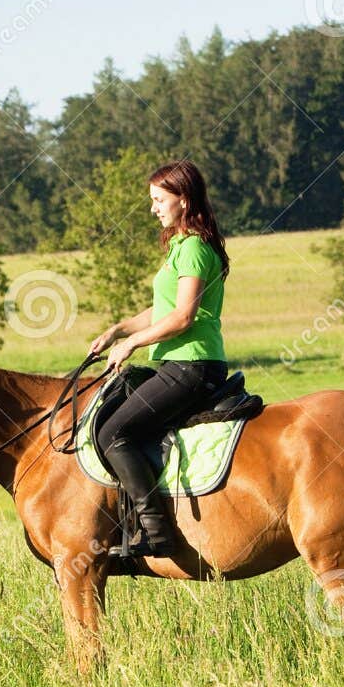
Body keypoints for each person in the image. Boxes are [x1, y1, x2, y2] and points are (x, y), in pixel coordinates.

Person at [87, 159, 231, 558]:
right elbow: (162, 310)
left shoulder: (196, 248)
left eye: (158, 199)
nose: (153, 208)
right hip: (176, 363)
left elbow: (182, 318)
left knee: (112, 433)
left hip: (193, 365)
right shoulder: (180, 247)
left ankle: (155, 531)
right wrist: (118, 330)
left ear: (183, 200)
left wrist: (132, 346)